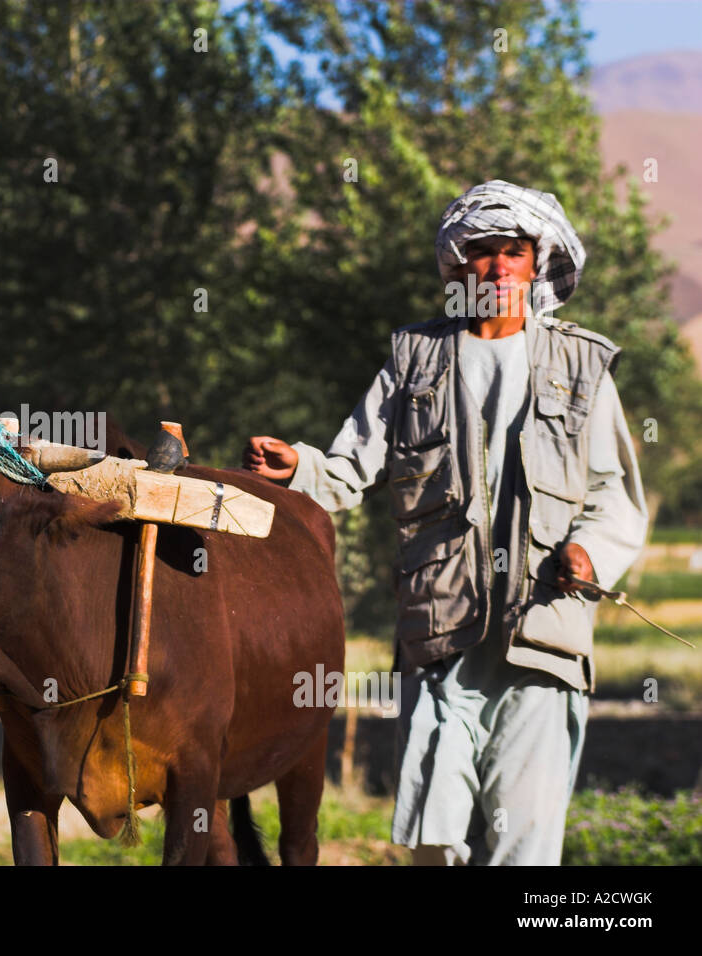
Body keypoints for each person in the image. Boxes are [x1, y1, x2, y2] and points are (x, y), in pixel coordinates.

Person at [244, 180, 648, 865]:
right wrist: (298, 469)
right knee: (434, 841)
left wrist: (588, 554)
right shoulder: (414, 360)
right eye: (481, 252)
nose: (496, 268)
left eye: (512, 252)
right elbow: (349, 468)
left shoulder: (582, 366)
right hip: (440, 637)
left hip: (543, 636)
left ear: (536, 262)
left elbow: (615, 494)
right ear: (458, 264)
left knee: (525, 842)